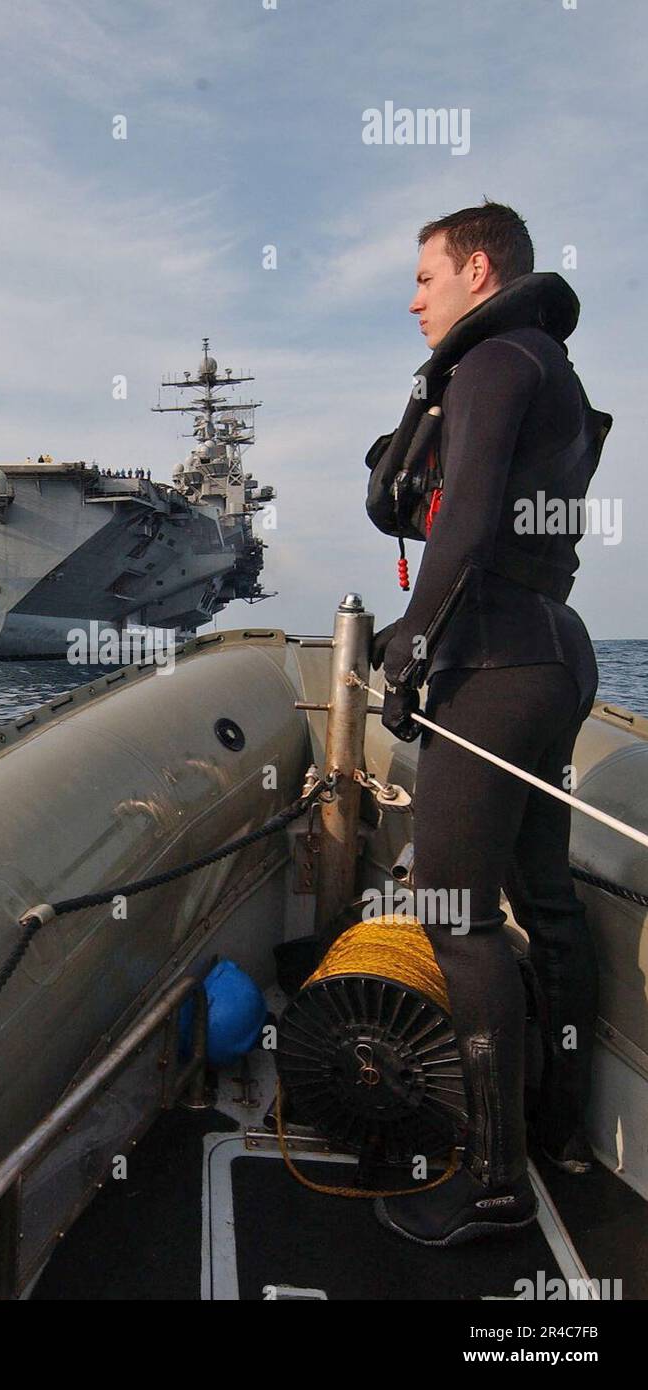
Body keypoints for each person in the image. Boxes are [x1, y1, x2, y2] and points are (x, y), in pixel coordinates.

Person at [366, 201, 611, 1246]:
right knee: (542, 899)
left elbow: (462, 517)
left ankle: (492, 1179)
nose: (413, 297)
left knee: (452, 916)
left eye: (425, 276)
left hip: (495, 663)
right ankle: (557, 1129)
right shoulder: (542, 362)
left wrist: (408, 646)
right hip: (552, 651)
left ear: (475, 268)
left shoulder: (488, 362)